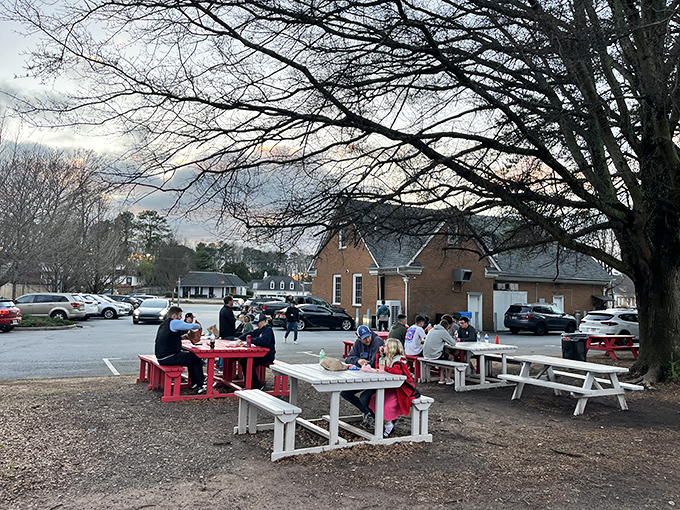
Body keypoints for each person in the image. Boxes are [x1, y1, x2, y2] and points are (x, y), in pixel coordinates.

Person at [368, 338, 418, 436]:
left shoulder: (400, 361)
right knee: (374, 399)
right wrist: (381, 355)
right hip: (391, 388)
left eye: (385, 346)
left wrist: (386, 369)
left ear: (391, 349)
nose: (383, 347)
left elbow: (397, 372)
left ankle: (388, 424)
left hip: (402, 389)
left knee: (387, 405)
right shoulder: (387, 359)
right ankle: (386, 422)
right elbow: (379, 366)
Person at [154, 306, 206, 393]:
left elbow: (181, 330)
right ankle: (201, 385)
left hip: (162, 355)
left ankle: (195, 382)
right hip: (168, 356)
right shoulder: (173, 322)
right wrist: (198, 326)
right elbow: (192, 326)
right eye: (180, 316)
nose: (181, 318)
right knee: (196, 359)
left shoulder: (164, 324)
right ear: (174, 315)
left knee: (190, 358)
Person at [342, 325, 385, 428]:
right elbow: (348, 359)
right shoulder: (358, 343)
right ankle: (368, 413)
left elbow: (375, 362)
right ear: (359, 338)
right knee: (345, 393)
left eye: (368, 336)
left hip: (377, 379)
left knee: (364, 397)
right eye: (364, 338)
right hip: (362, 378)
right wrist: (358, 360)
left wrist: (367, 364)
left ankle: (374, 418)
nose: (367, 339)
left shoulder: (378, 342)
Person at [237, 313, 275, 390]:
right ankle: (251, 382)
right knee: (244, 360)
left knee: (246, 361)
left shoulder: (268, 330)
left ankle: (254, 384)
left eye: (258, 323)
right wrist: (241, 338)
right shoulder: (260, 330)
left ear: (263, 322)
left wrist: (250, 340)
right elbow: (251, 333)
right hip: (261, 354)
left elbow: (264, 341)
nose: (257, 325)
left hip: (268, 355)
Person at [422, 317, 458, 384]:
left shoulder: (432, 330)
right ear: (447, 326)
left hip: (426, 354)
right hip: (434, 355)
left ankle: (442, 378)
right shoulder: (443, 331)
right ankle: (448, 378)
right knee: (451, 357)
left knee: (443, 356)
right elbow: (453, 343)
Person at [217, 295, 237, 371]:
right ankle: (221, 367)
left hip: (223, 332)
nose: (233, 302)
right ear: (229, 301)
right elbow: (231, 320)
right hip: (229, 332)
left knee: (223, 349)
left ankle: (218, 364)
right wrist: (235, 318)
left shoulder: (223, 309)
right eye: (232, 300)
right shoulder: (228, 310)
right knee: (226, 351)